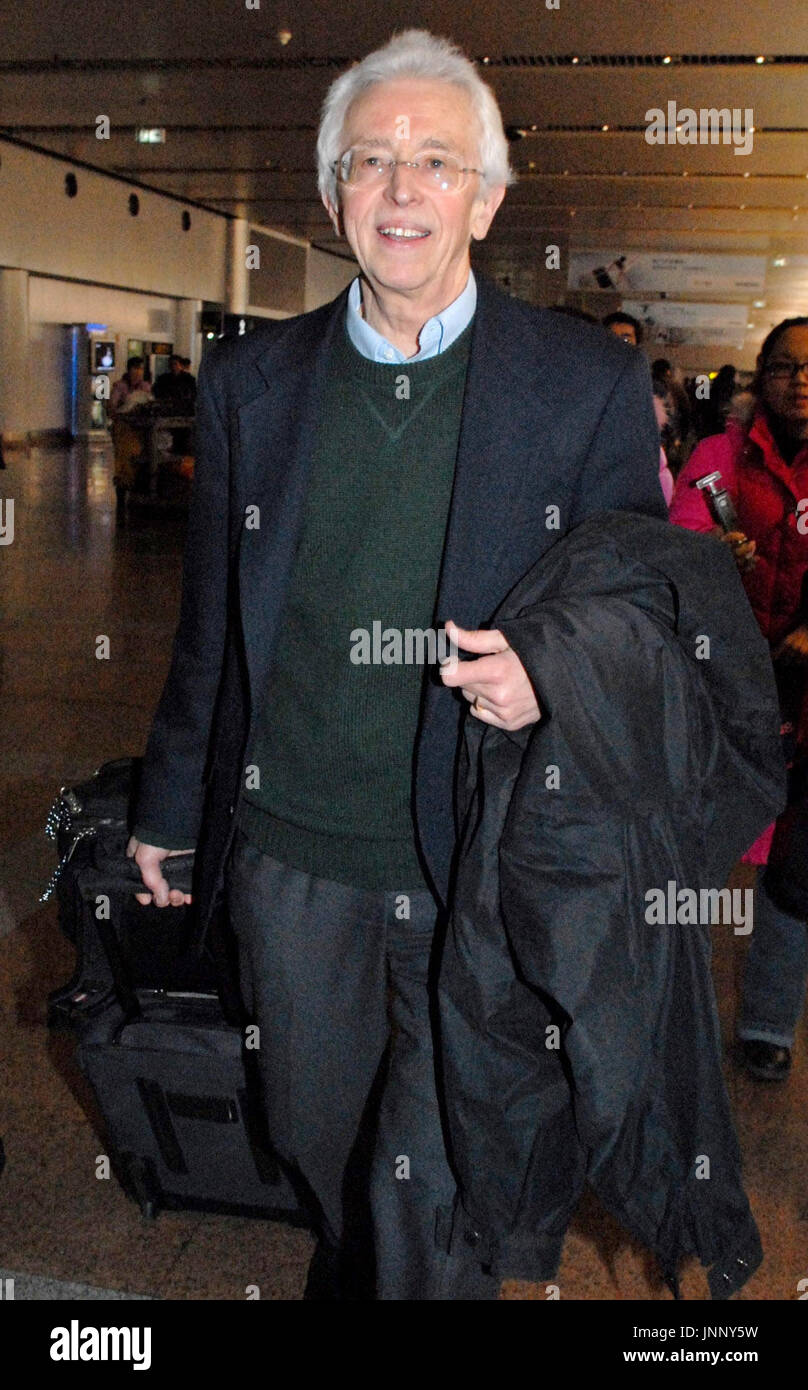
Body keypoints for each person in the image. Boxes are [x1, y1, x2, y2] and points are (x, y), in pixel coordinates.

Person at [127, 28, 666, 1301]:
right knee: (316, 1133)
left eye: (436, 161)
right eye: (371, 161)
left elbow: (643, 608)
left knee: (433, 1182)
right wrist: (167, 801)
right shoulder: (255, 382)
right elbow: (214, 624)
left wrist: (554, 672)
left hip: (475, 860)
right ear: (332, 195)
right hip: (291, 855)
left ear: (485, 196)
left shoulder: (581, 386)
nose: (402, 188)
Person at [670, 316, 808, 1082]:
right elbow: (682, 530)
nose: (801, 381)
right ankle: (670, 1014)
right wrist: (707, 552)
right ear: (762, 377)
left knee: (796, 871)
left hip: (806, 703)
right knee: (697, 859)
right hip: (722, 689)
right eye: (785, 367)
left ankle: (765, 1023)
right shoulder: (721, 458)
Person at [602, 312, 673, 504]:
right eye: (612, 337)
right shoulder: (591, 382)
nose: (619, 344)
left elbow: (663, 432)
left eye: (626, 338)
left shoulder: (650, 388)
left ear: (637, 344)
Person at [109, 356, 152, 495]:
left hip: (141, 430)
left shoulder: (146, 387)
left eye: (141, 369)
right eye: (135, 368)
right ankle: (123, 486)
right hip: (124, 429)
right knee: (124, 460)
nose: (138, 372)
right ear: (129, 370)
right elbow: (112, 408)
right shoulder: (120, 386)